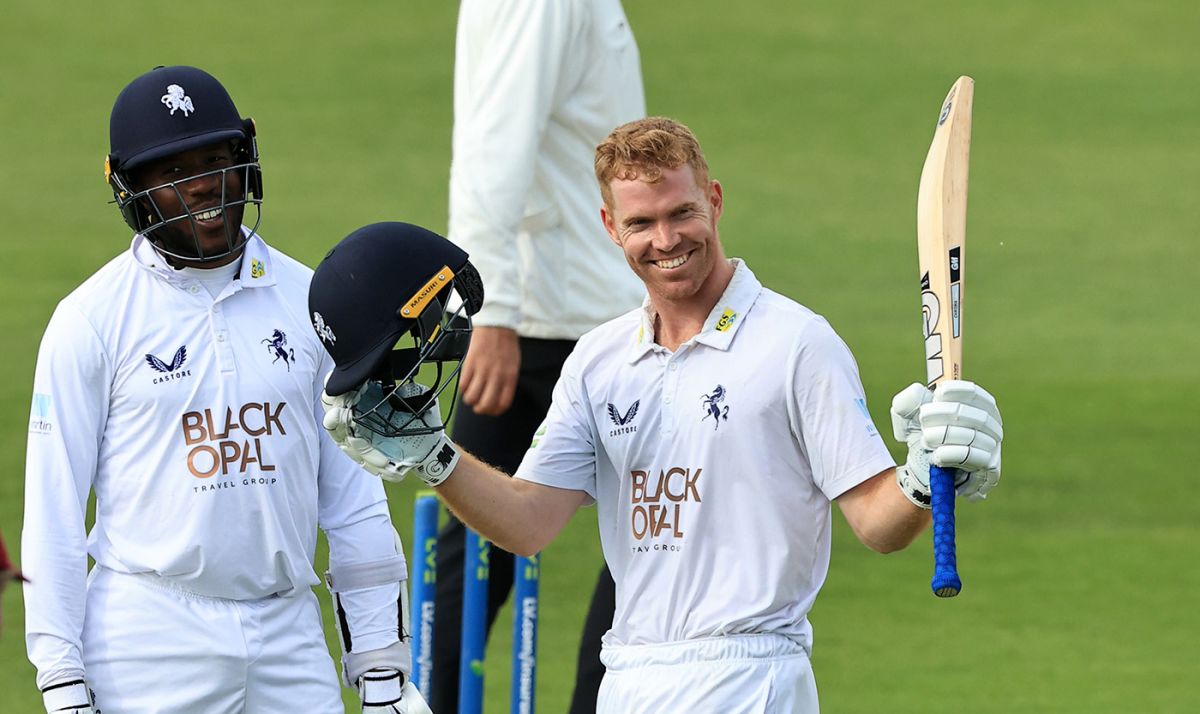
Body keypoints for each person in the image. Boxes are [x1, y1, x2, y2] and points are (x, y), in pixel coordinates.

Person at [315, 117, 1005, 713]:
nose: (666, 239)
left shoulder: (797, 344)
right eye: (641, 222)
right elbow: (529, 524)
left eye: (681, 213)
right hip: (631, 677)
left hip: (751, 677)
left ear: (714, 200)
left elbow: (878, 525)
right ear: (611, 227)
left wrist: (920, 477)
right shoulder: (599, 359)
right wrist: (438, 459)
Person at [22, 65, 429, 714]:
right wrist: (63, 678)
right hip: (147, 639)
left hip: (288, 633)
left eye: (217, 160)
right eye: (172, 172)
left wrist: (382, 671)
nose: (204, 186)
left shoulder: (312, 302)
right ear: (132, 188)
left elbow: (355, 502)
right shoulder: (91, 321)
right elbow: (55, 514)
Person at [436, 0, 646, 711]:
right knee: (651, 533)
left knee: (479, 546)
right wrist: (488, 309)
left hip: (559, 308)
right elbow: (496, 142)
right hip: (556, 318)